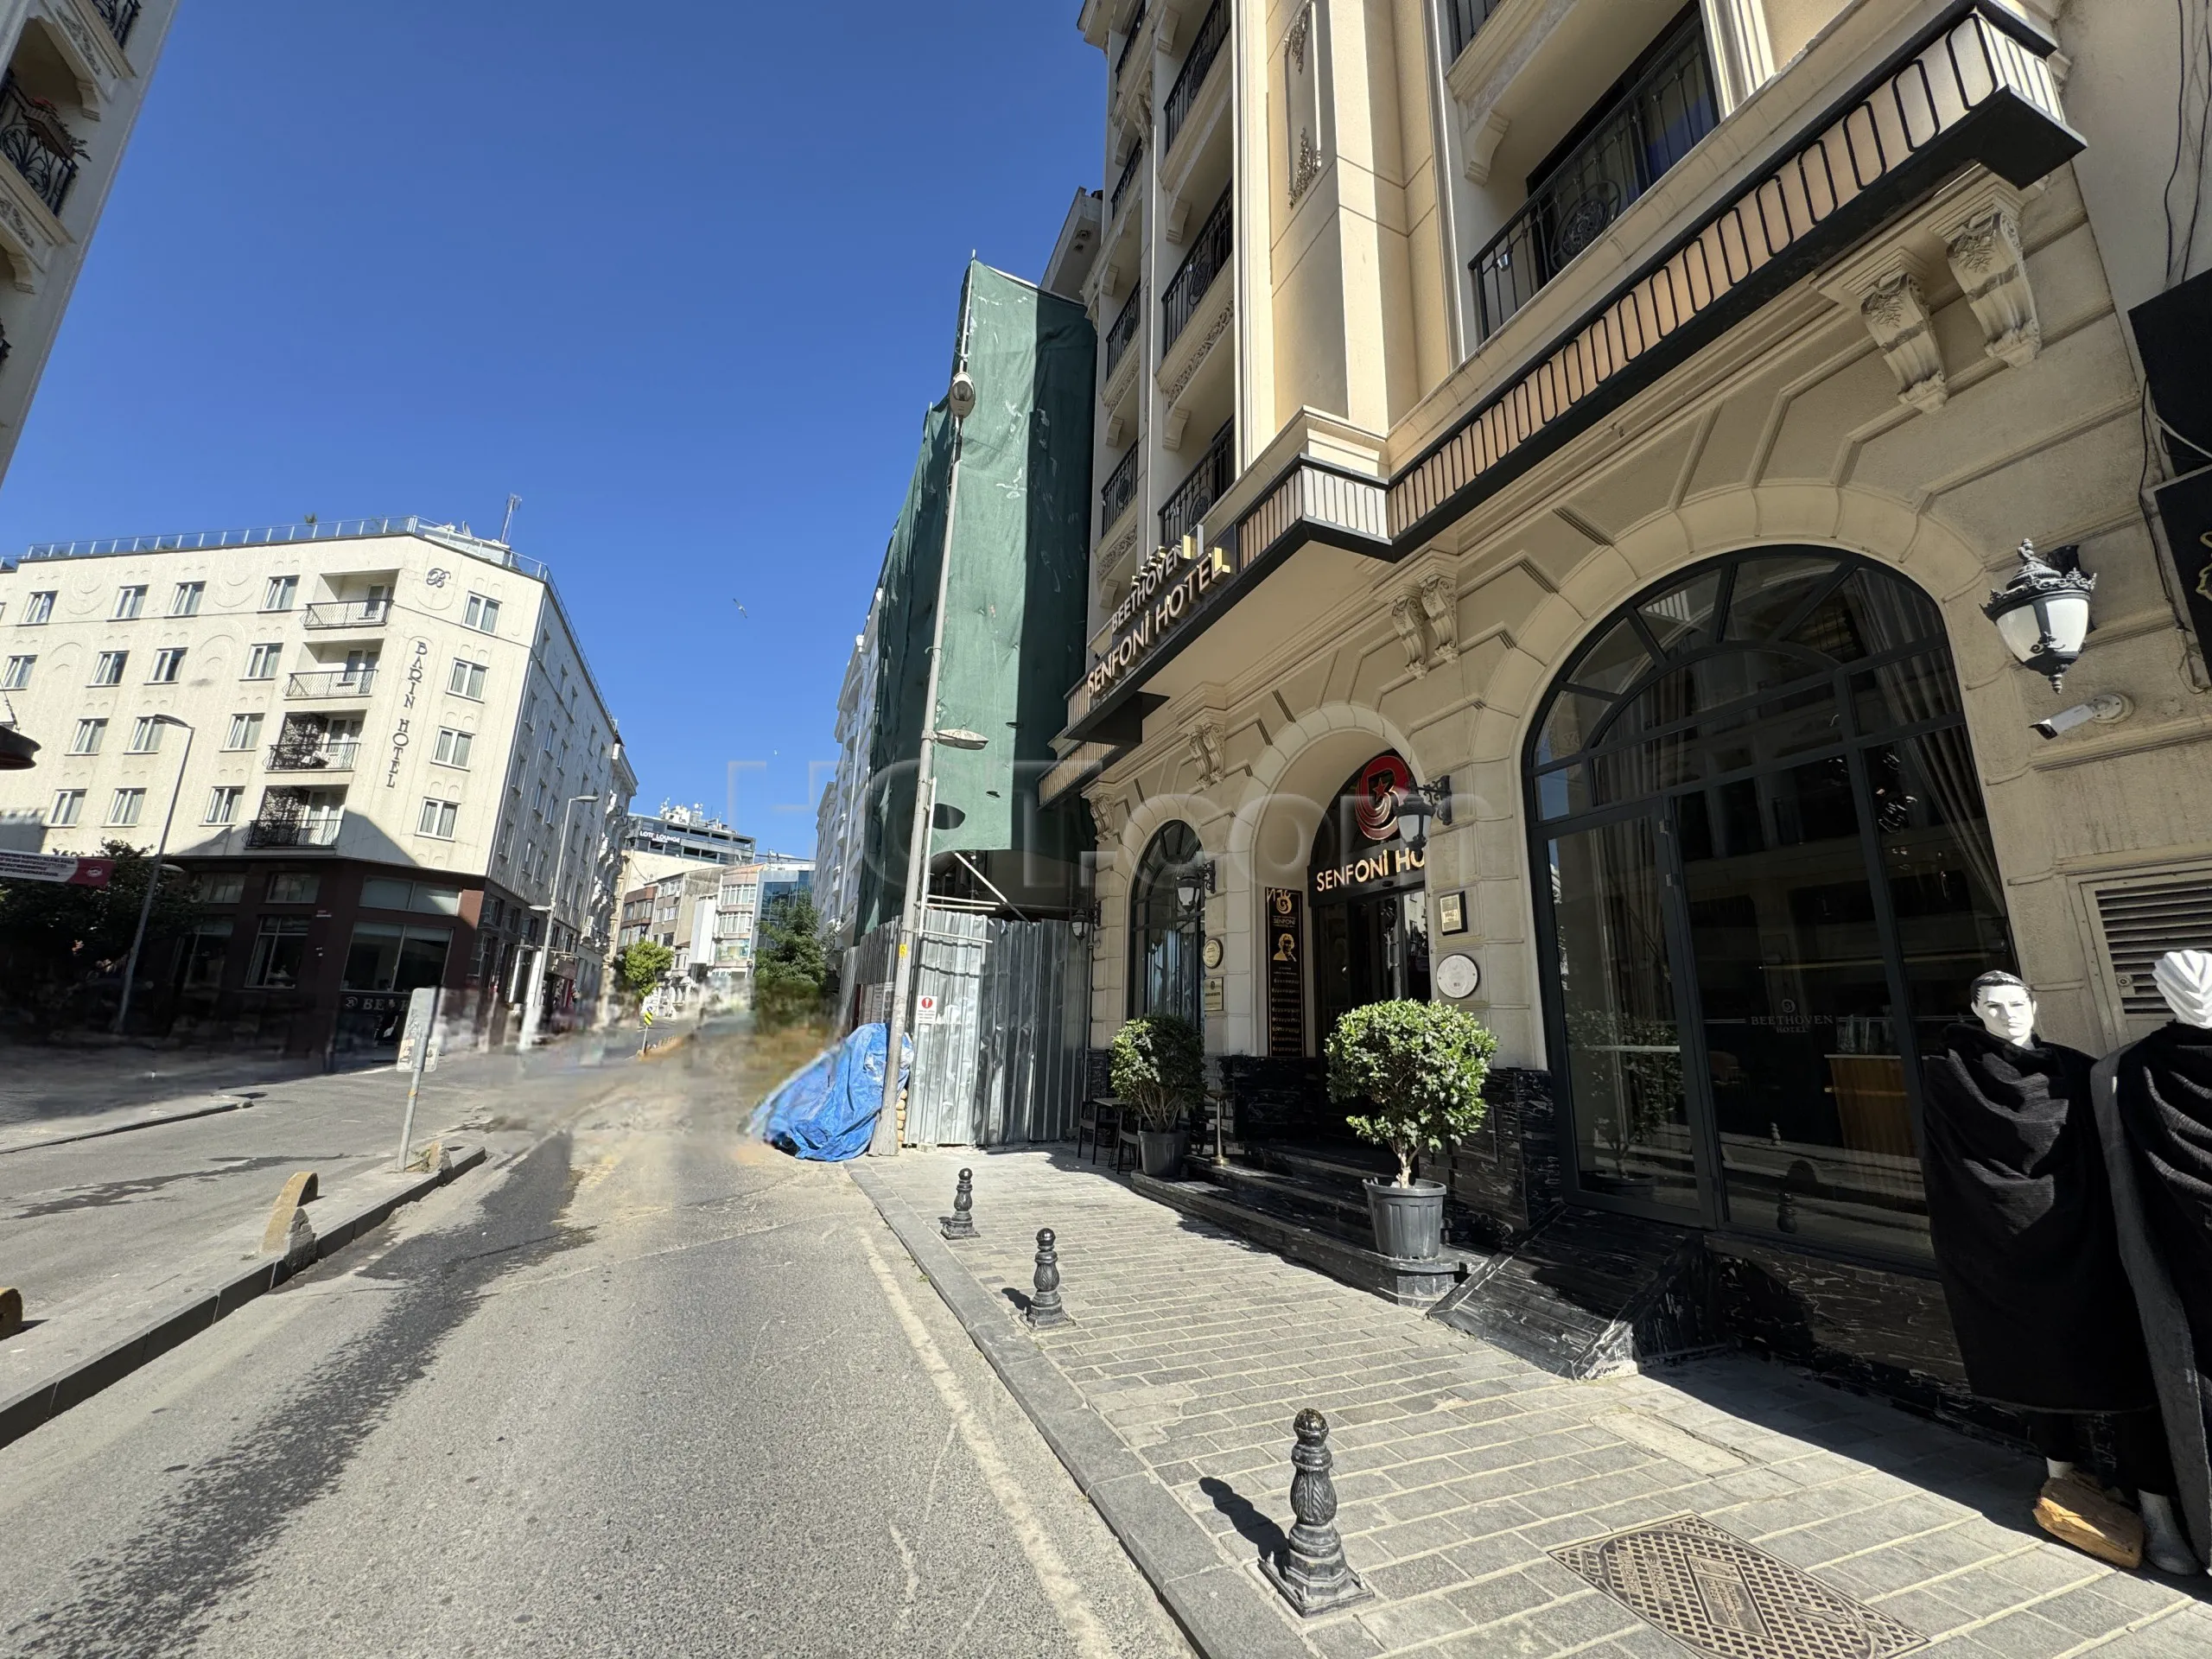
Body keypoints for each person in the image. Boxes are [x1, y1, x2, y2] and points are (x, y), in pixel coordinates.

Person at [1923, 969, 2194, 1572]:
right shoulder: (1953, 1077)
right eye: (1992, 1005)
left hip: (2092, 1240)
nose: (2007, 1014)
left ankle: (2157, 1510)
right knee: (2035, 1362)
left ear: (2035, 1003)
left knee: (2124, 1373)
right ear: (1975, 1009)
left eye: (2016, 1002)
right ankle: (2064, 1482)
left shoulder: (2077, 1070)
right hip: (2009, 1248)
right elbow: (1953, 1172)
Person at [2093, 949, 2212, 1574]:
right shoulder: (2122, 1075)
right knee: (2189, 1397)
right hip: (2176, 1266)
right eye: (2176, 984)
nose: (2194, 994)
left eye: (2206, 981)